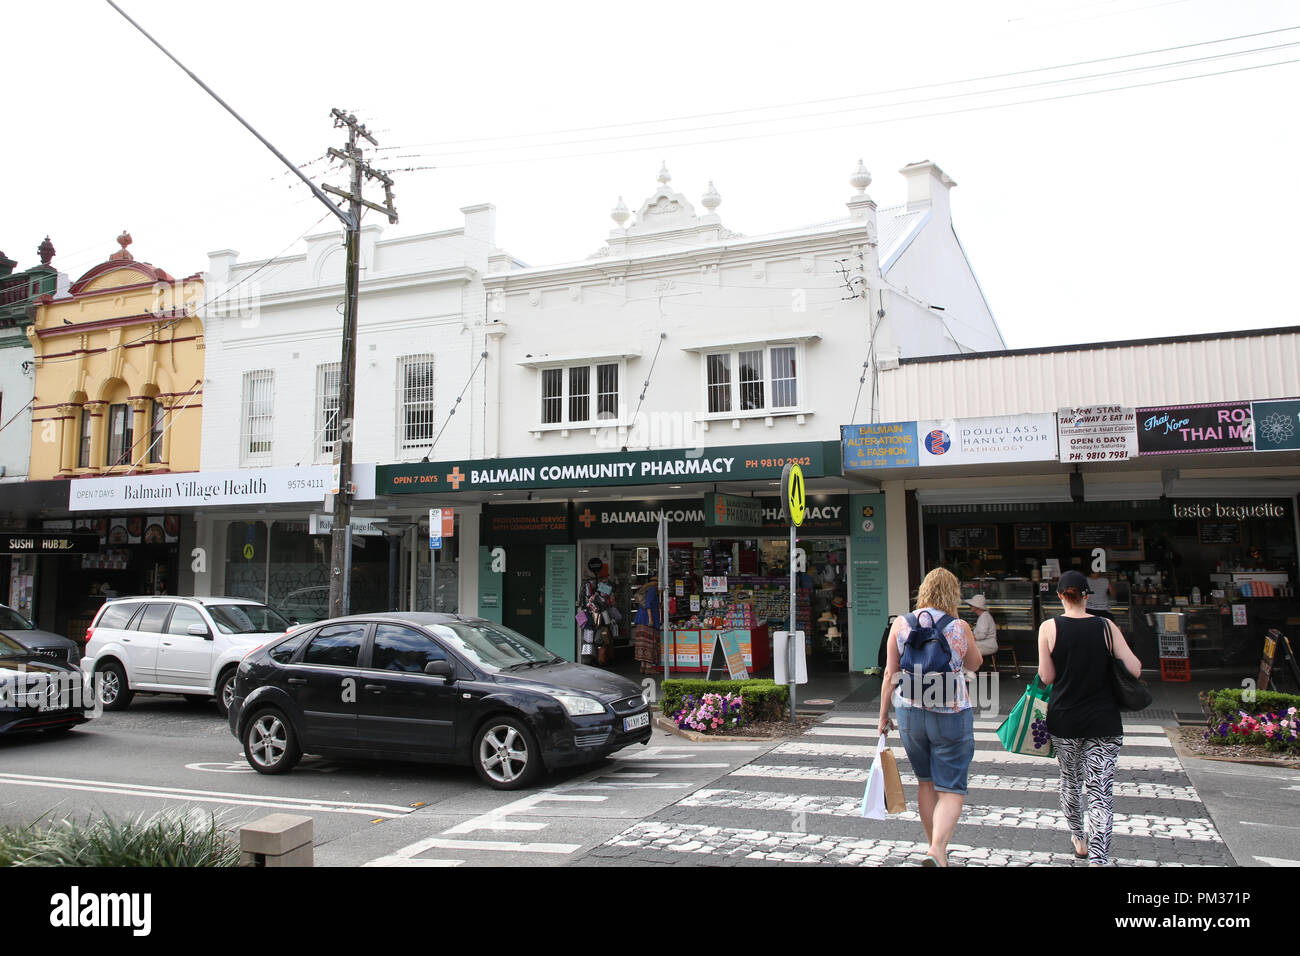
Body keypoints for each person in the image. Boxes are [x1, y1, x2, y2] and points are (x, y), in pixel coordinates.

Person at [1037, 569, 1142, 867]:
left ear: (1059, 596)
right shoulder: (1107, 627)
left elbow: (1046, 676)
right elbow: (1134, 668)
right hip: (1103, 721)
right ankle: (1099, 858)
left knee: (1070, 782)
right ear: (1086, 596)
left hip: (1065, 719)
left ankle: (1079, 838)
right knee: (1100, 792)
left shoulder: (1048, 628)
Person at [878, 567, 982, 867]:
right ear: (954, 594)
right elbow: (975, 664)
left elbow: (889, 674)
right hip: (950, 710)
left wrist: (883, 717)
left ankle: (936, 850)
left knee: (925, 783)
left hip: (909, 710)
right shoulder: (959, 626)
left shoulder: (901, 624)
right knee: (951, 788)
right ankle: (937, 848)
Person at [633, 575, 662, 675]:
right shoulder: (653, 589)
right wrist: (650, 618)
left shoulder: (647, 589)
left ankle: (643, 667)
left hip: (641, 619)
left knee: (643, 644)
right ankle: (649, 667)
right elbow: (648, 604)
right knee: (650, 643)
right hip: (647, 620)